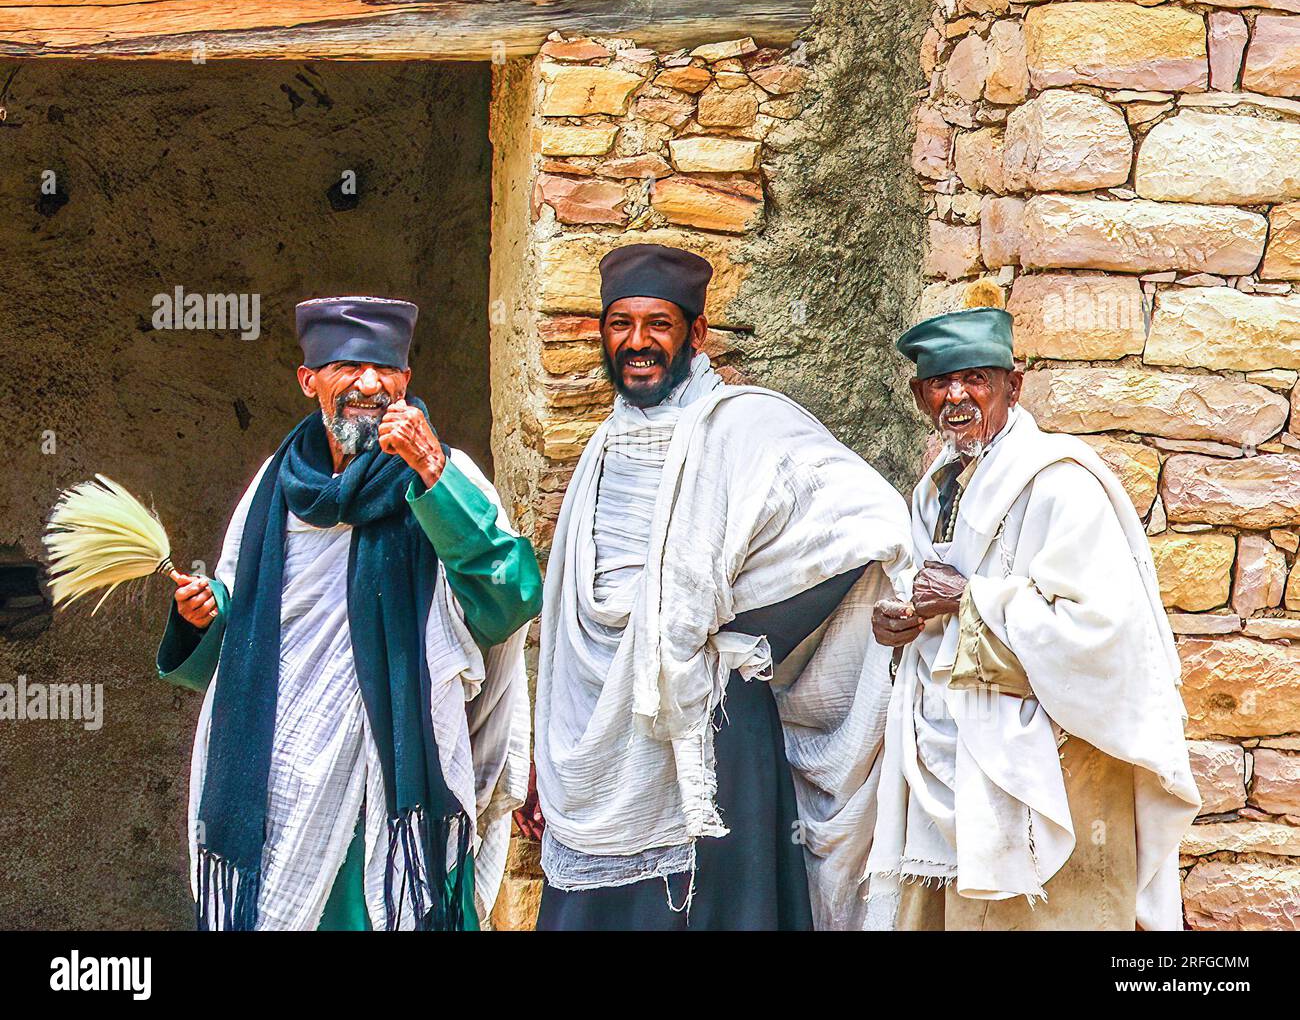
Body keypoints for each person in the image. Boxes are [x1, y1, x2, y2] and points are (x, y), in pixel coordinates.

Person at [529, 244, 913, 930]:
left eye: (658, 325)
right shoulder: (602, 448)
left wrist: (754, 639)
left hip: (715, 728)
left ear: (695, 335)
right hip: (601, 736)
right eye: (620, 324)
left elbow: (872, 520)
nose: (637, 343)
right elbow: (571, 618)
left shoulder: (745, 424)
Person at [157, 295, 541, 930]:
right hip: (284, 775)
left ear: (406, 381)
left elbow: (509, 599)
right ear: (310, 380)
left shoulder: (447, 473)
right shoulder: (274, 489)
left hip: (399, 777)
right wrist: (205, 618)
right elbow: (246, 646)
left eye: (385, 369)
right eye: (345, 366)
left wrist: (431, 472)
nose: (368, 384)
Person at [865, 306, 1199, 930]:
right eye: (941, 382)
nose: (958, 396)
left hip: (1056, 764)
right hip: (955, 756)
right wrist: (903, 628)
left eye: (977, 379)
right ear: (919, 396)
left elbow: (1102, 637)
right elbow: (936, 620)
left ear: (1012, 388)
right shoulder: (933, 490)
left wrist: (970, 600)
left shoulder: (1059, 484)